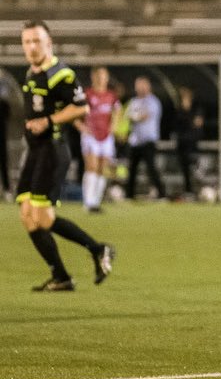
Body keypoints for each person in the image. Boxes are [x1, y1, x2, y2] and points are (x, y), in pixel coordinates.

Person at [17, 21, 115, 291]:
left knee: (43, 218)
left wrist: (48, 121)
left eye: (37, 41)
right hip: (36, 152)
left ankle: (98, 249)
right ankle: (60, 276)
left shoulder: (60, 74)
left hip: (52, 151)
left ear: (49, 43)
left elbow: (81, 108)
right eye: (27, 42)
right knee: (27, 214)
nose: (32, 47)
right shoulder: (32, 72)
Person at [77, 66, 120, 213]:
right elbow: (74, 111)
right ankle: (88, 202)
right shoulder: (87, 94)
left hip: (106, 136)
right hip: (91, 136)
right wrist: (81, 127)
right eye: (99, 75)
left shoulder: (111, 95)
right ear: (93, 77)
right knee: (92, 167)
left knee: (103, 169)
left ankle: (96, 201)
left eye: (104, 75)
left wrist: (114, 126)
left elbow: (117, 111)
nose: (102, 78)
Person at [125, 76, 165, 200]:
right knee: (131, 169)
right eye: (138, 85)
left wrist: (134, 116)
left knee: (152, 168)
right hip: (135, 142)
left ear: (148, 86)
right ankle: (129, 195)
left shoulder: (153, 101)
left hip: (148, 141)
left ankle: (161, 193)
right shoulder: (134, 101)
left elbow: (144, 116)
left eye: (143, 85)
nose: (140, 88)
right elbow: (127, 116)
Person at [173, 86, 204, 199]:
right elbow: (177, 125)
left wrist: (190, 120)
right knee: (184, 169)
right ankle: (188, 191)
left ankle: (199, 191)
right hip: (182, 144)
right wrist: (190, 121)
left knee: (196, 170)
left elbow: (198, 123)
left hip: (193, 145)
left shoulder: (197, 108)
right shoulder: (179, 110)